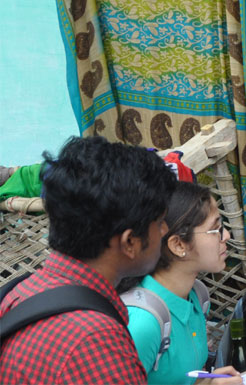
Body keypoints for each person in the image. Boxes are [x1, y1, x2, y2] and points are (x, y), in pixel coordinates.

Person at [0, 136, 177, 384]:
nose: (165, 230)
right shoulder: (97, 344)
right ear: (129, 242)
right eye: (158, 222)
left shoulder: (21, 292)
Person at [124, 182, 244, 384]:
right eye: (215, 229)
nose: (226, 236)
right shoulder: (143, 324)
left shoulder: (197, 296)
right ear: (178, 245)